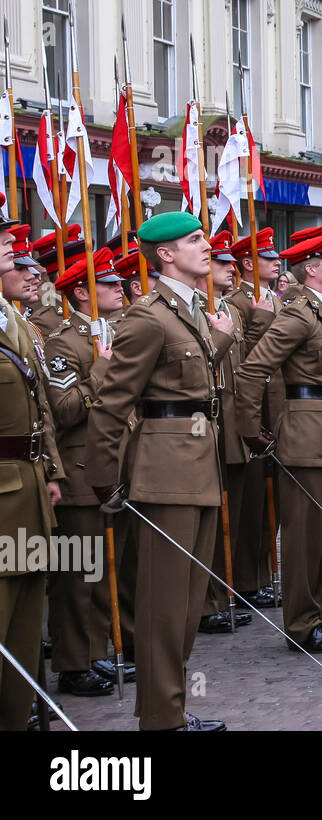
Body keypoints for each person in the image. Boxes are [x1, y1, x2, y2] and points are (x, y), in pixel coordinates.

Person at [86, 211, 234, 731]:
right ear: (165, 254)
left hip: (197, 466)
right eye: (194, 240)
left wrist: (224, 339)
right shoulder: (148, 317)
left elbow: (186, 376)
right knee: (164, 605)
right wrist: (104, 477)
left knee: (189, 601)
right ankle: (160, 716)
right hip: (165, 471)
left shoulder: (189, 311)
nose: (206, 245)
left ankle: (168, 706)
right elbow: (111, 402)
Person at [236, 229, 322, 655]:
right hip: (306, 433)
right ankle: (301, 624)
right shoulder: (297, 314)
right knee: (305, 535)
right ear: (312, 269)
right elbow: (253, 371)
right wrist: (250, 430)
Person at [43, 248, 133, 696]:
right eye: (110, 284)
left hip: (110, 463)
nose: (121, 289)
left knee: (101, 572)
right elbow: (62, 409)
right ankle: (74, 663)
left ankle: (98, 651)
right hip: (78, 469)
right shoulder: (64, 342)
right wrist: (100, 368)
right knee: (77, 572)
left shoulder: (109, 332)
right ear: (81, 292)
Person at [0, 208, 66, 731]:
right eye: (2, 239)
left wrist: (51, 473)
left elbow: (39, 405)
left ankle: (18, 715)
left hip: (26, 485)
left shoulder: (12, 317)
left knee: (25, 619)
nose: (9, 244)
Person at [196, 230, 257, 634]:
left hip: (230, 424)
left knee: (236, 517)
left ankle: (228, 590)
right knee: (212, 522)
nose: (230, 268)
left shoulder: (229, 309)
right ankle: (211, 598)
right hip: (203, 427)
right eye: (221, 262)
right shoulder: (199, 310)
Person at [225, 228, 282, 608]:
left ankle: (261, 573)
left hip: (276, 409)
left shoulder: (273, 298)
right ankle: (247, 578)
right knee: (248, 507)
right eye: (268, 257)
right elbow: (247, 363)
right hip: (254, 411)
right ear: (249, 264)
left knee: (267, 504)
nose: (277, 261)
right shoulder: (239, 303)